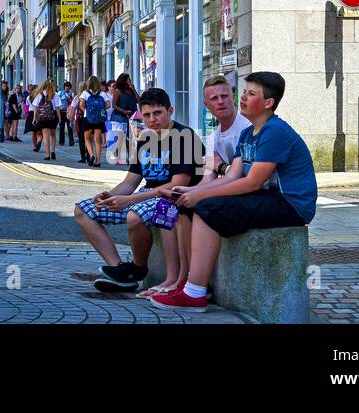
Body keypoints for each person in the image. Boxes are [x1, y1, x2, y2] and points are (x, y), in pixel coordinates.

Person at [151, 72, 317, 312]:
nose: (243, 98)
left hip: (290, 204)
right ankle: (190, 283)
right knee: (192, 205)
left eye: (251, 94)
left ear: (268, 103)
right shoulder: (249, 133)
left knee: (207, 207)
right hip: (269, 198)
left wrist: (202, 196)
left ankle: (195, 292)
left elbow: (252, 183)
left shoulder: (275, 131)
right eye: (244, 92)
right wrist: (190, 191)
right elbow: (231, 175)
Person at [71, 88, 202, 294]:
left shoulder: (184, 137)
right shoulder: (145, 139)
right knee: (83, 210)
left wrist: (129, 201)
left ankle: (137, 269)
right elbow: (130, 182)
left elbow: (176, 185)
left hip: (172, 197)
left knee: (135, 215)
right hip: (147, 193)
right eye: (147, 115)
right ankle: (119, 270)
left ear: (170, 111)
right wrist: (110, 195)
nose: (152, 120)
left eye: (158, 113)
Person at [142, 74, 249, 299]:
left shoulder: (246, 129)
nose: (220, 101)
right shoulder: (213, 137)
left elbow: (236, 175)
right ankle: (175, 277)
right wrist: (188, 191)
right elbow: (208, 177)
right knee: (170, 204)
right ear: (206, 105)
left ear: (233, 97)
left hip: (247, 191)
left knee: (189, 208)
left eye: (224, 96)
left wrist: (203, 188)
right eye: (214, 98)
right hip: (226, 187)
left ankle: (191, 280)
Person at [110, 75, 139, 164]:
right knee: (120, 137)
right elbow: (114, 105)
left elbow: (138, 100)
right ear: (124, 81)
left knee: (130, 138)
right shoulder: (118, 91)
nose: (130, 81)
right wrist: (124, 111)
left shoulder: (130, 90)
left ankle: (129, 157)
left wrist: (133, 89)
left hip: (131, 116)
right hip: (120, 116)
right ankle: (117, 154)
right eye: (128, 79)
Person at [81, 78, 109, 168]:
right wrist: (101, 110)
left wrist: (86, 111)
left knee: (87, 139)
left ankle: (91, 154)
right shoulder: (103, 94)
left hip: (88, 119)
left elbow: (81, 104)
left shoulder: (85, 93)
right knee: (98, 141)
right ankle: (97, 161)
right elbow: (109, 104)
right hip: (99, 120)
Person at [32, 80, 59, 160]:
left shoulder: (39, 94)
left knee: (46, 137)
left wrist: (34, 118)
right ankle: (53, 151)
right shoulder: (55, 94)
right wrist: (60, 118)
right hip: (52, 117)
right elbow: (57, 108)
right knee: (53, 135)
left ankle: (47, 155)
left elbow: (36, 108)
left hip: (43, 118)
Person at [57, 80, 75, 148]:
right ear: (64, 87)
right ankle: (61, 141)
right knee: (61, 127)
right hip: (62, 112)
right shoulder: (60, 93)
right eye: (66, 86)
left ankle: (71, 141)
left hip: (69, 112)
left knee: (70, 126)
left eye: (68, 87)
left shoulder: (71, 94)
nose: (67, 88)